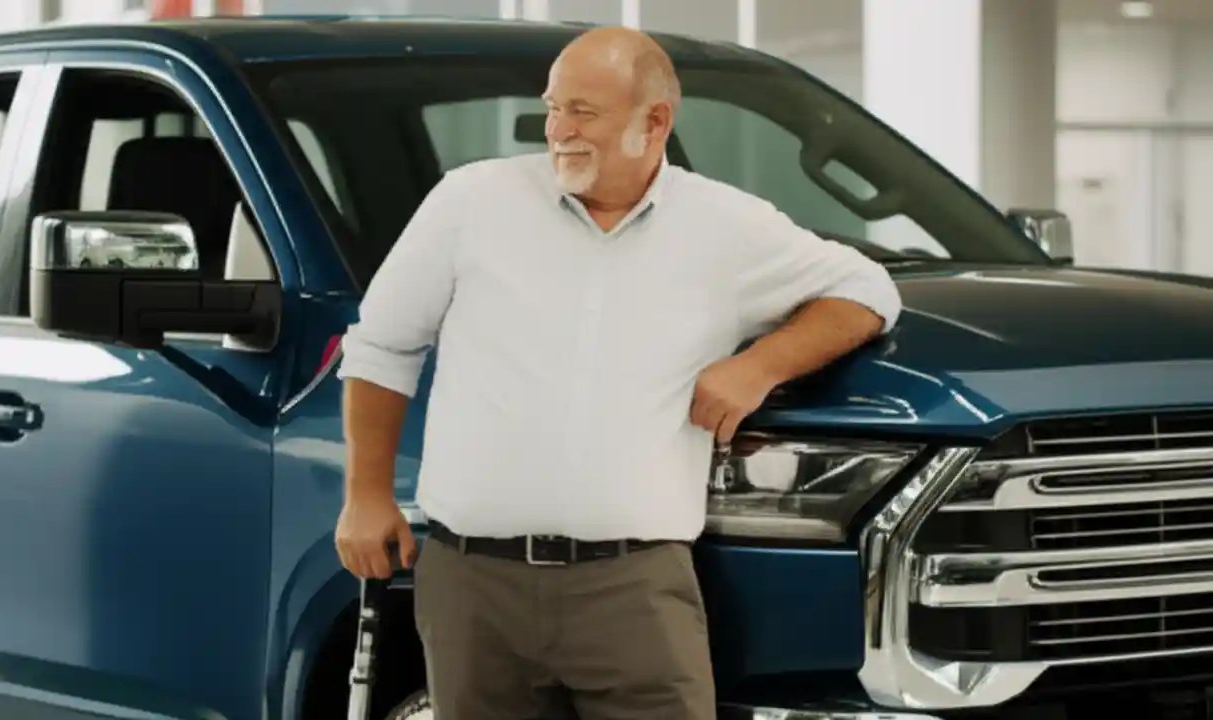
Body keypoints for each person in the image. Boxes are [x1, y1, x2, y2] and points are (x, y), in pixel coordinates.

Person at [333, 25, 902, 720]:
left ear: (655, 121)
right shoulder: (469, 204)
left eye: (584, 112)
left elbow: (869, 292)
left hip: (634, 590)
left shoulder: (724, 225)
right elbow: (381, 347)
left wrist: (759, 365)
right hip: (474, 585)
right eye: (553, 107)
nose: (558, 130)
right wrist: (365, 495)